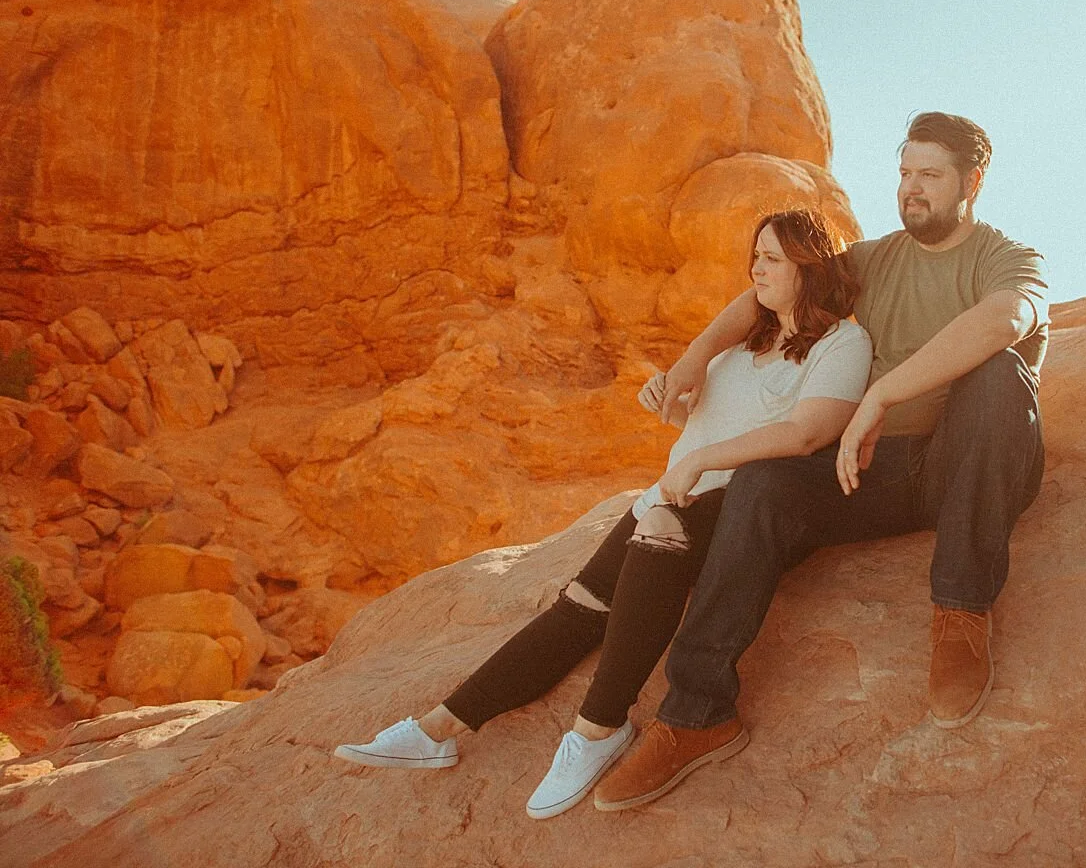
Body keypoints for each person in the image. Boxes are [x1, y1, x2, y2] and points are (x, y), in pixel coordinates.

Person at [332, 209, 872, 820]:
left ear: (808, 263)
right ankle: (437, 730)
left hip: (732, 506)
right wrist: (670, 405)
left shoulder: (842, 343)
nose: (756, 268)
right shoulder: (747, 337)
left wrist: (696, 467)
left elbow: (808, 434)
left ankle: (597, 730)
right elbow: (709, 419)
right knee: (579, 608)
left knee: (653, 543)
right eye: (755, 255)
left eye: (772, 257)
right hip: (673, 494)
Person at [593, 112, 1047, 811]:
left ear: (972, 182)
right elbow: (772, 290)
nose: (911, 189)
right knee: (765, 481)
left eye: (929, 175)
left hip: (974, 463)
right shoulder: (875, 260)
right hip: (880, 474)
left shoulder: (1007, 257)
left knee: (995, 376)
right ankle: (696, 713)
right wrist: (693, 358)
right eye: (904, 173)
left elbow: (1005, 322)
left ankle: (961, 611)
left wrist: (882, 395)